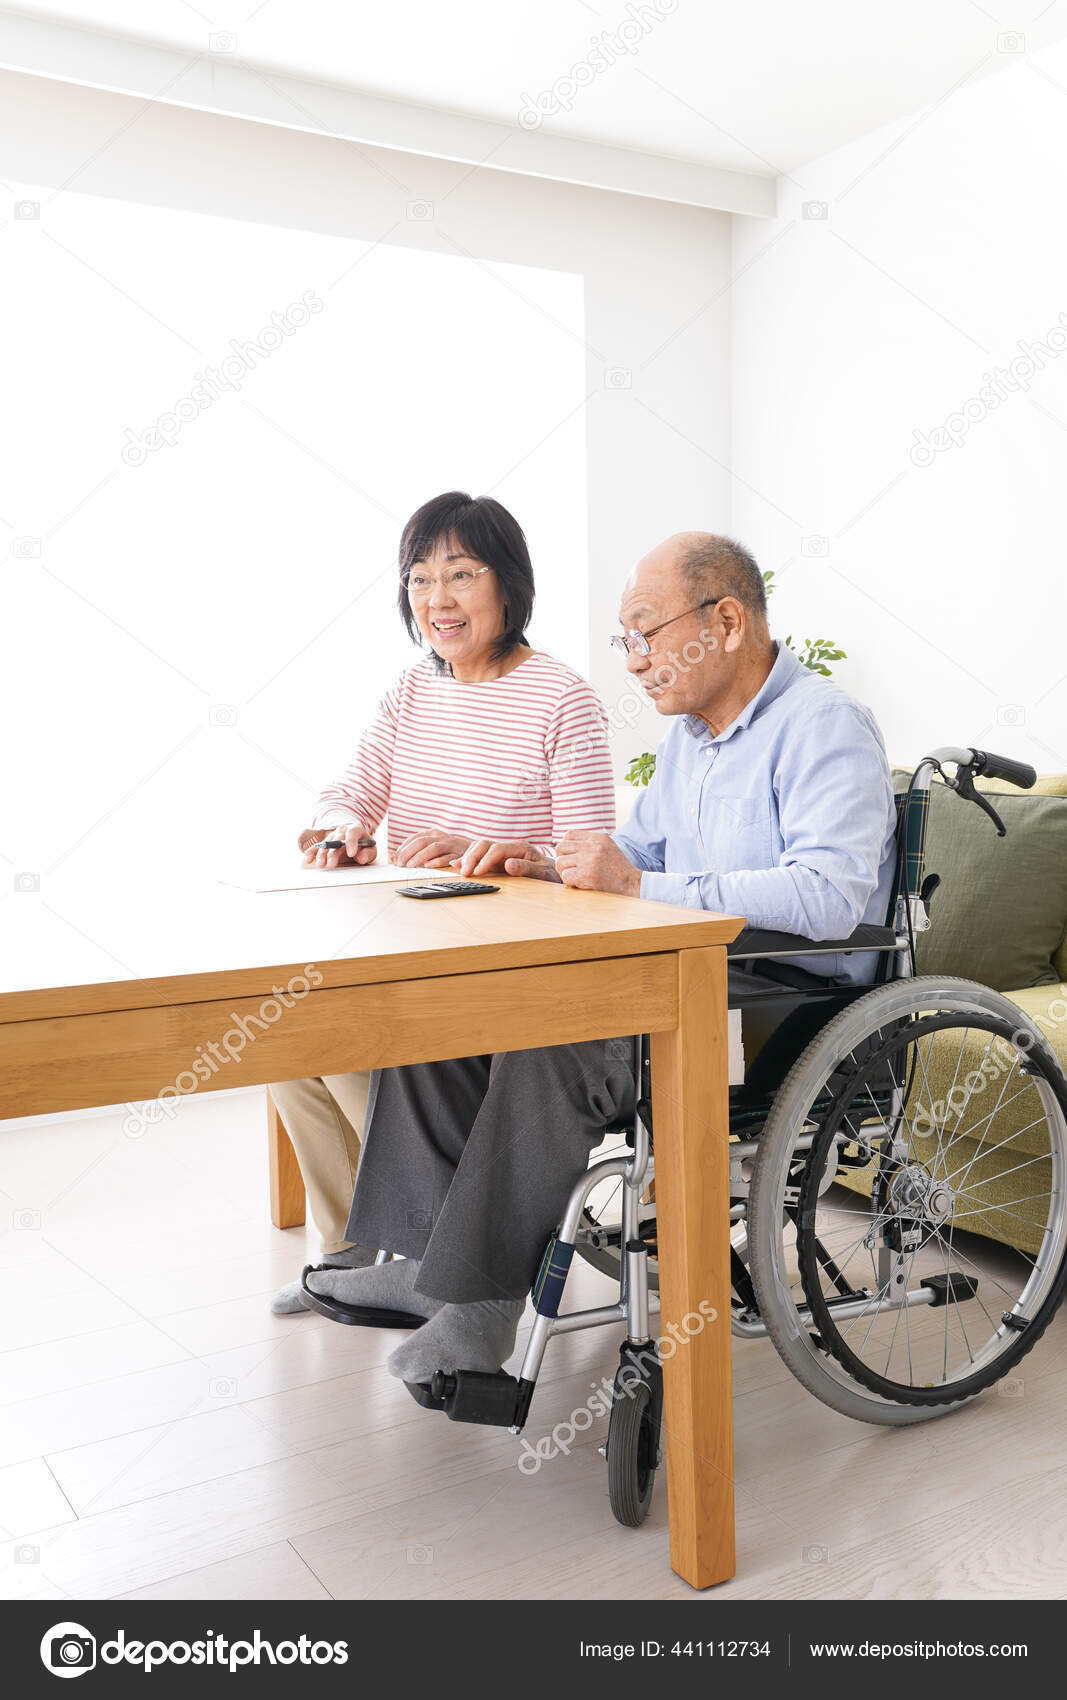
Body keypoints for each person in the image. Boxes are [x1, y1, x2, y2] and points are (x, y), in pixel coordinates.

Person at [305, 531, 897, 1386]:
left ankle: (478, 1301)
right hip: (694, 971)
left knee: (562, 1035)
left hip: (782, 1004)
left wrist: (643, 886)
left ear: (725, 621)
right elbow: (633, 850)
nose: (632, 661)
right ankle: (434, 1261)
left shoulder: (823, 726)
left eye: (643, 632)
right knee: (450, 1010)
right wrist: (541, 859)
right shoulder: (697, 737)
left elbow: (831, 895)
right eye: (626, 639)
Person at [269, 490, 614, 1315]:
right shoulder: (411, 693)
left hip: (502, 963)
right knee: (288, 1044)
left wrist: (516, 862)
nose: (438, 599)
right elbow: (350, 788)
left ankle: (443, 1256)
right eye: (420, 579)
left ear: (509, 585)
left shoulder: (563, 700)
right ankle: (352, 1251)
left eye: (460, 574)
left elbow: (595, 867)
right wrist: (342, 826)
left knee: (370, 1053)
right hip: (407, 934)